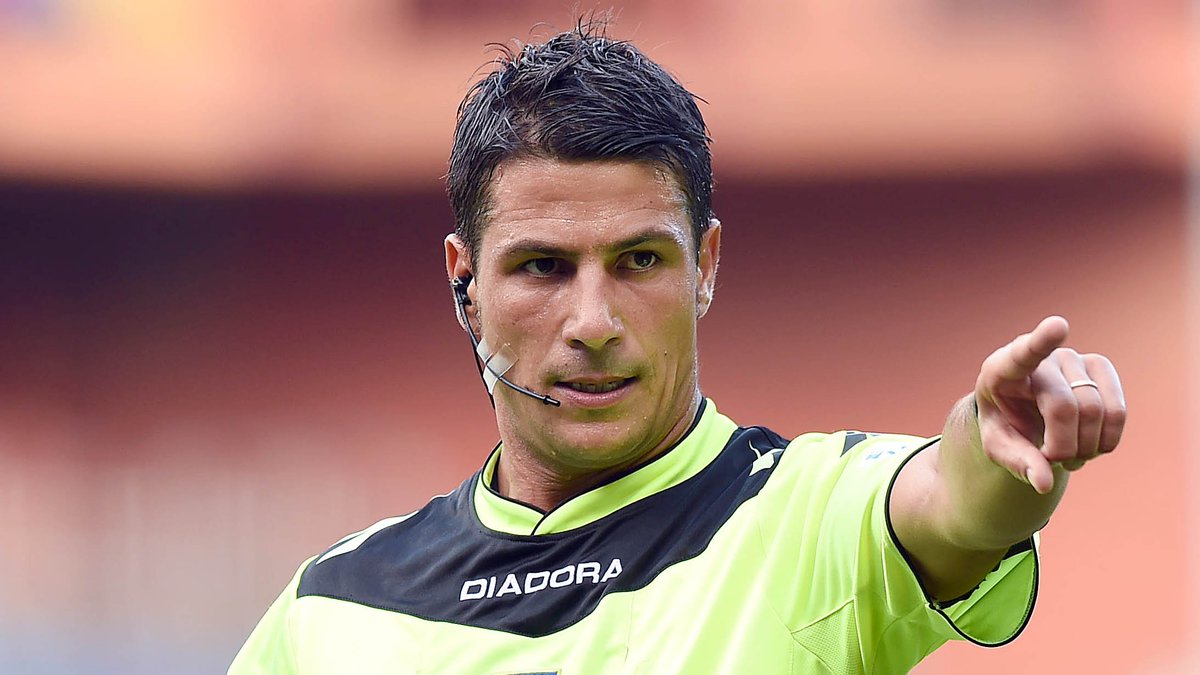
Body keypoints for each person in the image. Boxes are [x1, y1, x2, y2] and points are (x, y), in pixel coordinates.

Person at [229, 24, 1126, 675]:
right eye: (543, 266)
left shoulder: (802, 519)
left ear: (706, 265)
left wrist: (995, 455)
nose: (592, 320)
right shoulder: (334, 610)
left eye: (639, 261)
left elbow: (946, 501)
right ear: (465, 281)